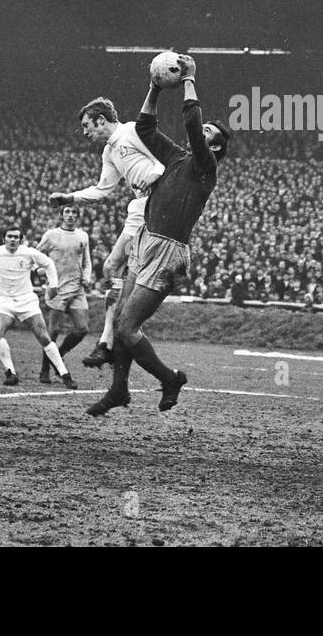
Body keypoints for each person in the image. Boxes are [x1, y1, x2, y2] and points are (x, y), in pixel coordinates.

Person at [87, 54, 231, 416]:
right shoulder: (177, 158)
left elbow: (193, 121)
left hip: (167, 251)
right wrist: (153, 87)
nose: (204, 131)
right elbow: (146, 128)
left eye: (210, 132)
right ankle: (119, 389)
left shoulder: (204, 165)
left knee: (127, 328)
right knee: (121, 322)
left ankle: (169, 379)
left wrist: (189, 80)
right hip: (145, 240)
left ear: (214, 146)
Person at [50, 96, 165, 370]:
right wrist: (71, 197)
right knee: (111, 267)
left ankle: (112, 343)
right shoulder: (109, 152)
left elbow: (164, 159)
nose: (85, 132)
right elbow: (103, 189)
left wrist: (156, 176)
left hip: (159, 202)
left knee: (127, 273)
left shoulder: (133, 131)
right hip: (140, 206)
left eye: (87, 125)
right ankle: (108, 342)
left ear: (101, 120)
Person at [0, 226, 76, 388]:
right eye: (9, 237)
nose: (13, 240)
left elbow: (48, 264)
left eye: (16, 237)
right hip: (5, 301)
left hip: (27, 301)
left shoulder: (28, 252)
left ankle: (65, 374)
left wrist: (53, 285)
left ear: (20, 240)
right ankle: (10, 372)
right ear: (3, 239)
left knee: (44, 337)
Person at [36, 206, 93, 383]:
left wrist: (87, 276)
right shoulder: (51, 235)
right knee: (53, 331)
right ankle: (45, 370)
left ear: (78, 216)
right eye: (67, 212)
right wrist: (41, 271)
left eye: (74, 212)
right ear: (61, 215)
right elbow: (36, 257)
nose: (70, 215)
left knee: (82, 328)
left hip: (77, 288)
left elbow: (87, 261)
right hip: (57, 289)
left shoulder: (82, 236)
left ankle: (58, 356)